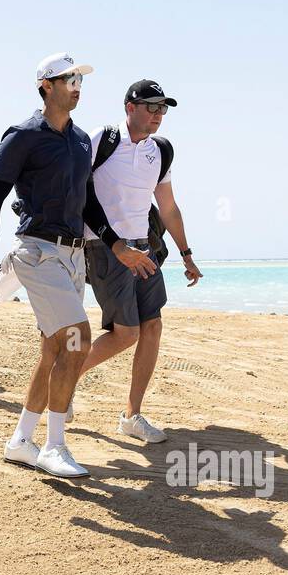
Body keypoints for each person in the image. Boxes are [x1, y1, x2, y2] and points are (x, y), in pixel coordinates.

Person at [0, 53, 152, 479]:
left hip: (74, 255)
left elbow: (87, 202)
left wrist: (116, 245)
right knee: (78, 339)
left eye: (79, 79)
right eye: (67, 78)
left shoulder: (81, 141)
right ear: (45, 86)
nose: (76, 85)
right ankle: (54, 446)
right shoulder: (22, 136)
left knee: (54, 349)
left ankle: (20, 440)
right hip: (37, 251)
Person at [77, 79, 204, 443]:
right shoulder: (103, 138)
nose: (158, 115)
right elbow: (79, 191)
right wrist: (114, 244)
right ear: (129, 107)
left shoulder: (159, 152)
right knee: (125, 334)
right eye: (151, 107)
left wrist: (186, 254)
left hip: (144, 250)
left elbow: (168, 207)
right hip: (105, 249)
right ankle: (64, 379)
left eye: (163, 108)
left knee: (152, 327)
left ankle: (132, 416)